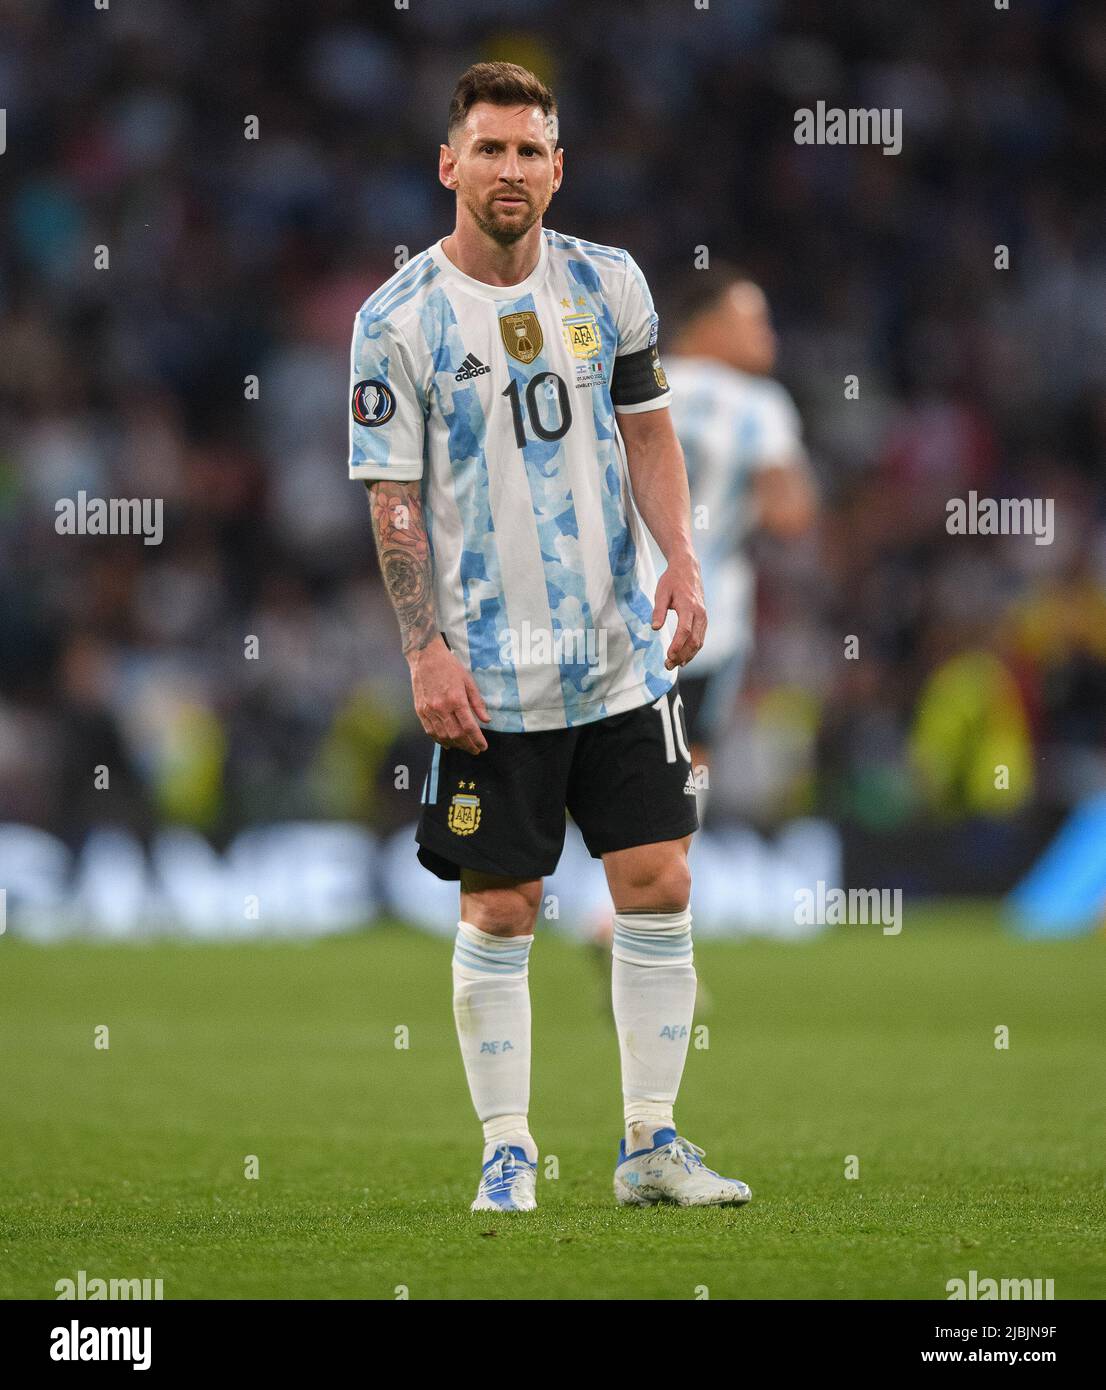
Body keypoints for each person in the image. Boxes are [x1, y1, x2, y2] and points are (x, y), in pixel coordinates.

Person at [348, 62, 750, 1213]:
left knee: (659, 878)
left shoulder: (609, 284)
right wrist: (424, 649)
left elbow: (649, 434)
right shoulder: (398, 321)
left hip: (618, 654)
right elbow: (392, 502)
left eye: (530, 151)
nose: (510, 169)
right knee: (501, 905)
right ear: (449, 164)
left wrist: (680, 557)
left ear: (557, 166)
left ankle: (649, 1145)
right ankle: (508, 1150)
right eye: (490, 149)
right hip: (487, 672)